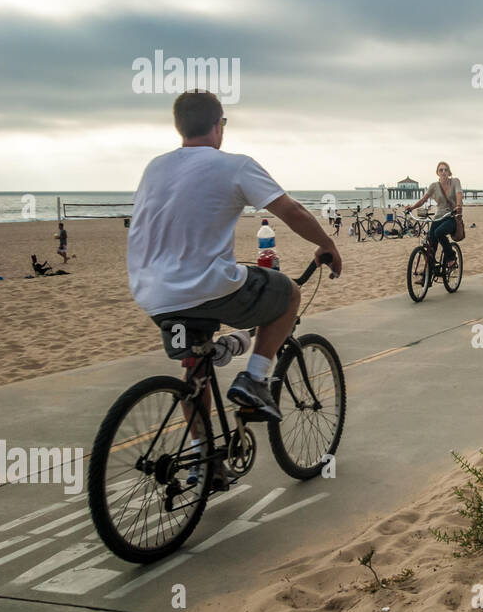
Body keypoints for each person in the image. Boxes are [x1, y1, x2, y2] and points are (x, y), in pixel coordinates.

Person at [127, 89, 342, 425]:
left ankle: (201, 462)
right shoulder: (236, 166)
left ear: (179, 127)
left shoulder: (154, 168)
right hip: (206, 290)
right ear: (219, 125)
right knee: (288, 295)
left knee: (196, 371)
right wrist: (327, 244)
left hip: (153, 295)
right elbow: (292, 210)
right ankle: (254, 379)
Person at [407, 162, 462, 282]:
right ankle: (427, 274)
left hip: (451, 216)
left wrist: (458, 206)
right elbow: (423, 200)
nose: (443, 172)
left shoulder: (455, 182)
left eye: (445, 170)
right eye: (441, 170)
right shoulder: (433, 186)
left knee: (439, 233)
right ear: (437, 172)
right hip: (438, 217)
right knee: (430, 244)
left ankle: (451, 257)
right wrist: (411, 208)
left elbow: (459, 194)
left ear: (449, 172)